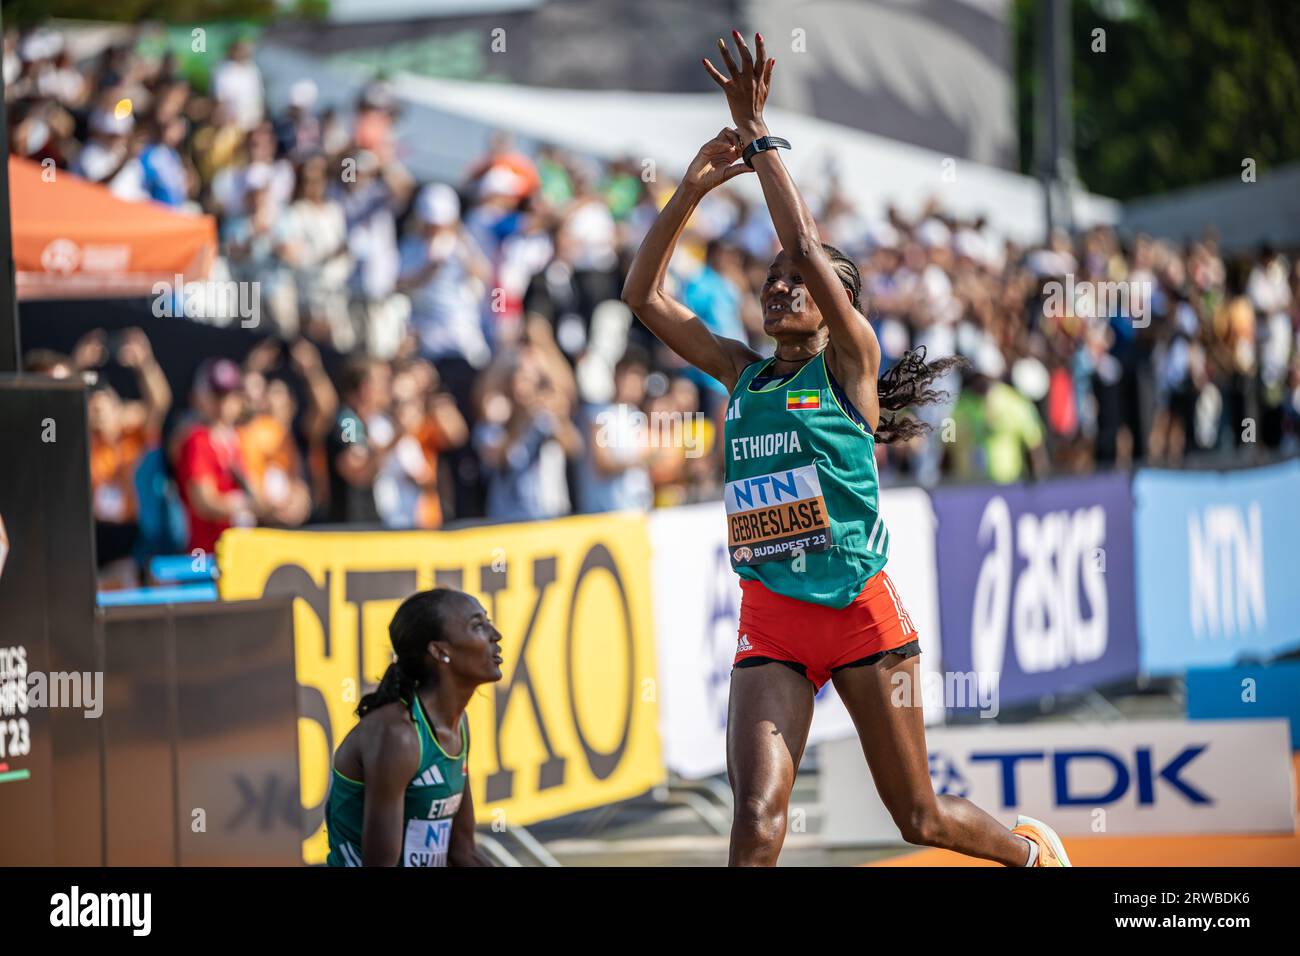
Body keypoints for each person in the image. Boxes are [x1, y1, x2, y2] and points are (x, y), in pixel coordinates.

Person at [622, 32, 1070, 867]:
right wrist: (688, 191)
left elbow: (802, 236)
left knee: (919, 818)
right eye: (773, 279)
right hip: (773, 624)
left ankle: (1031, 858)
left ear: (835, 308)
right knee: (757, 819)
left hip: (868, 622)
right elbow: (640, 295)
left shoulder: (849, 364)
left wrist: (760, 139)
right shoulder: (741, 375)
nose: (782, 284)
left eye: (802, 279)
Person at [325, 588, 501, 867]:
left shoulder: (458, 724)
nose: (496, 634)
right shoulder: (400, 735)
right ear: (440, 651)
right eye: (478, 625)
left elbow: (462, 852)